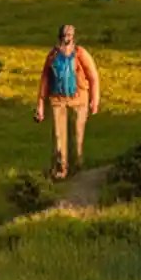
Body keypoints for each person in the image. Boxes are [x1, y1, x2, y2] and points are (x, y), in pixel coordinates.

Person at [34, 24, 100, 180]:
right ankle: (60, 170)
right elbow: (44, 81)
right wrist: (40, 106)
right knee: (58, 137)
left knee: (77, 137)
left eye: (69, 35)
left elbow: (93, 77)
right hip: (57, 100)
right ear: (60, 37)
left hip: (79, 100)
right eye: (64, 35)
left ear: (73, 37)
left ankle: (77, 168)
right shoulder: (52, 56)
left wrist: (94, 100)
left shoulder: (81, 54)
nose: (66, 38)